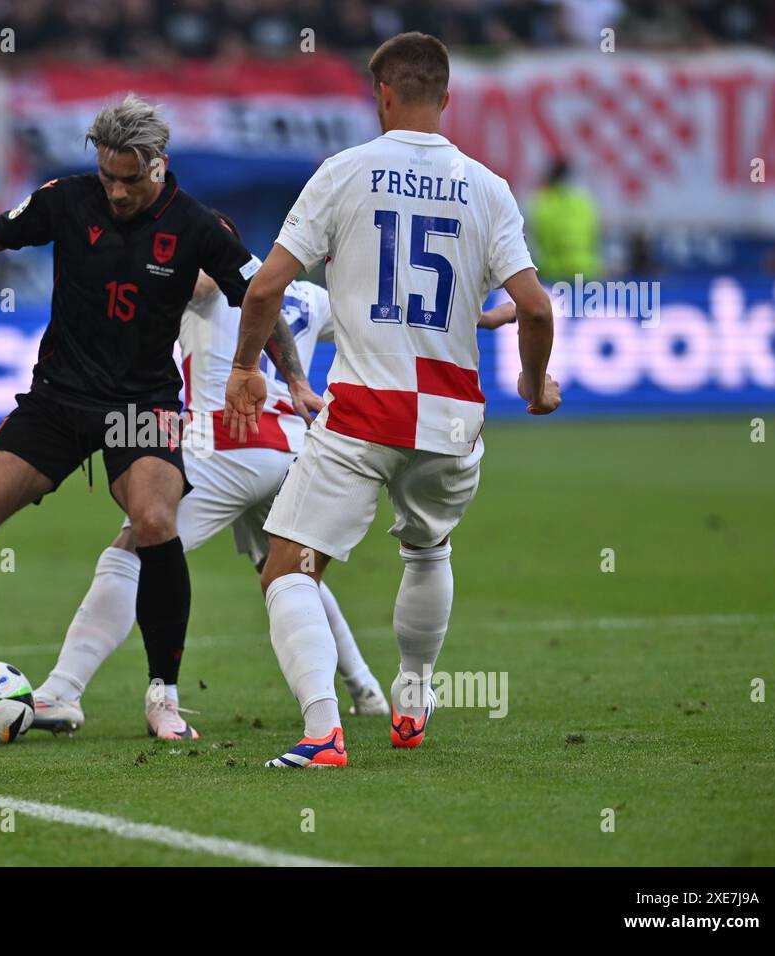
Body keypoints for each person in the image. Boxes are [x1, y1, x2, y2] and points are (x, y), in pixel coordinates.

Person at [0, 95, 317, 741]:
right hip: (59, 398)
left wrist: (290, 378)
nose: (116, 191)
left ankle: (163, 696)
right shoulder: (66, 199)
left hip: (142, 405)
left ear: (159, 165)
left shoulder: (199, 227)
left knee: (155, 523)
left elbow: (262, 295)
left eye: (129, 178)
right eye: (107, 177)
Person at [32, 212, 524, 735]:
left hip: (220, 446)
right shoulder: (307, 296)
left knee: (131, 553)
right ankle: (365, 688)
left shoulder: (203, 284)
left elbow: (182, 284)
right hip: (291, 454)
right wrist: (484, 316)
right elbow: (395, 319)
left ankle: (63, 690)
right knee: (295, 572)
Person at [224, 32, 561, 768]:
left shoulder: (343, 173)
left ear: (381, 95)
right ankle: (413, 695)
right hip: (451, 417)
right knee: (427, 547)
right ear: (446, 98)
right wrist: (535, 387)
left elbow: (265, 287)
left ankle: (322, 732)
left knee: (290, 567)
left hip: (363, 410)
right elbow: (535, 309)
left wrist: (248, 367)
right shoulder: (488, 186)